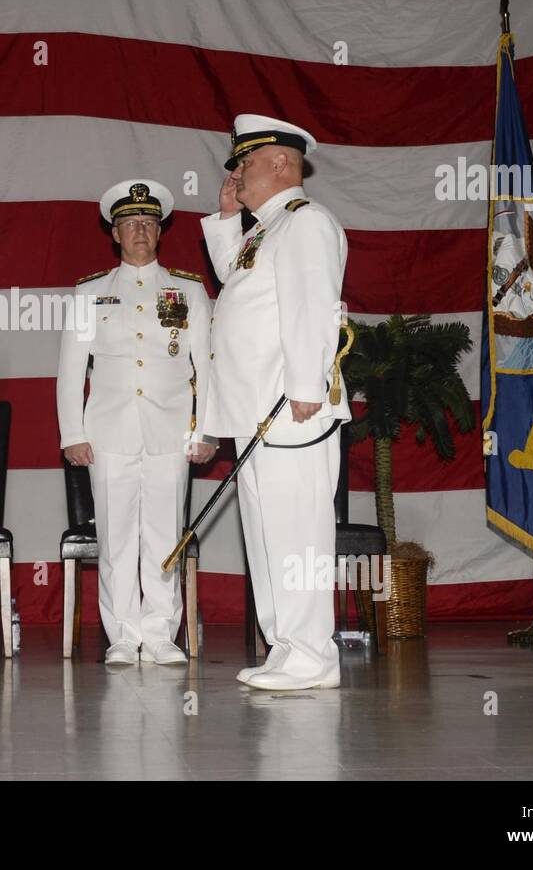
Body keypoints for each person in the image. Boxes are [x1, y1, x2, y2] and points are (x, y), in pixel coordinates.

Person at [200, 115, 350, 691]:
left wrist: (307, 388)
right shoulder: (264, 230)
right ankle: (285, 646)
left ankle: (314, 653)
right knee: (266, 537)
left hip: (291, 407)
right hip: (257, 410)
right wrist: (224, 219)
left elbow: (311, 307)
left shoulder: (306, 224)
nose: (238, 173)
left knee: (299, 533)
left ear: (281, 164)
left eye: (246, 163)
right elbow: (239, 286)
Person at [57, 179, 215, 666]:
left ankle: (162, 633)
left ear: (160, 231)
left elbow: (205, 367)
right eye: (130, 223)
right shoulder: (90, 293)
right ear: (115, 234)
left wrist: (205, 428)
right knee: (117, 538)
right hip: (108, 432)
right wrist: (72, 432)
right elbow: (69, 369)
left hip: (171, 433)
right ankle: (123, 635)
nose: (140, 230)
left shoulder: (188, 289)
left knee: (166, 534)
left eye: (148, 223)